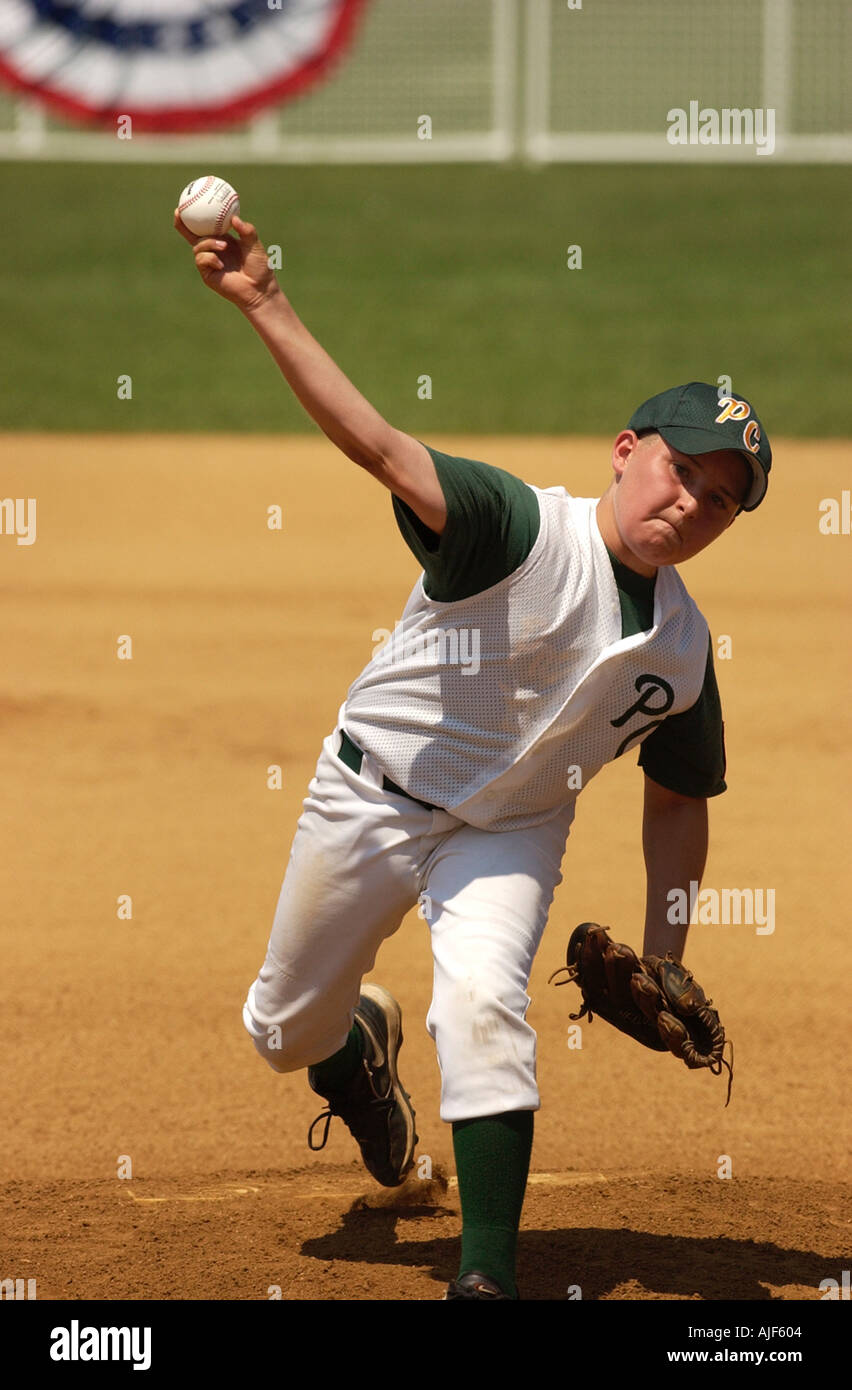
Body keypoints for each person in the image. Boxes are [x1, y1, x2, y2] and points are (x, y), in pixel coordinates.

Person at [174, 209, 772, 1301]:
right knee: (281, 1028)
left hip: (511, 832)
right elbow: (383, 446)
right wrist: (264, 299)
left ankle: (485, 1274)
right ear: (627, 451)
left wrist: (665, 947)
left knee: (485, 1003)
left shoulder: (684, 651)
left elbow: (680, 798)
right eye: (682, 470)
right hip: (372, 796)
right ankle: (357, 1052)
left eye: (722, 500)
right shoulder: (514, 525)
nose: (692, 503)